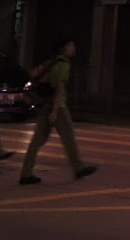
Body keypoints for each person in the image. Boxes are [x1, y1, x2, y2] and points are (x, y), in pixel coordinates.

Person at [18, 37, 96, 185]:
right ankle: (78, 168)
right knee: (69, 138)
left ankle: (25, 174)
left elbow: (33, 73)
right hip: (57, 106)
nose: (74, 48)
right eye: (71, 45)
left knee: (36, 142)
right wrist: (54, 111)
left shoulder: (51, 62)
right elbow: (59, 88)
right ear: (63, 48)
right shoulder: (64, 65)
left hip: (44, 104)